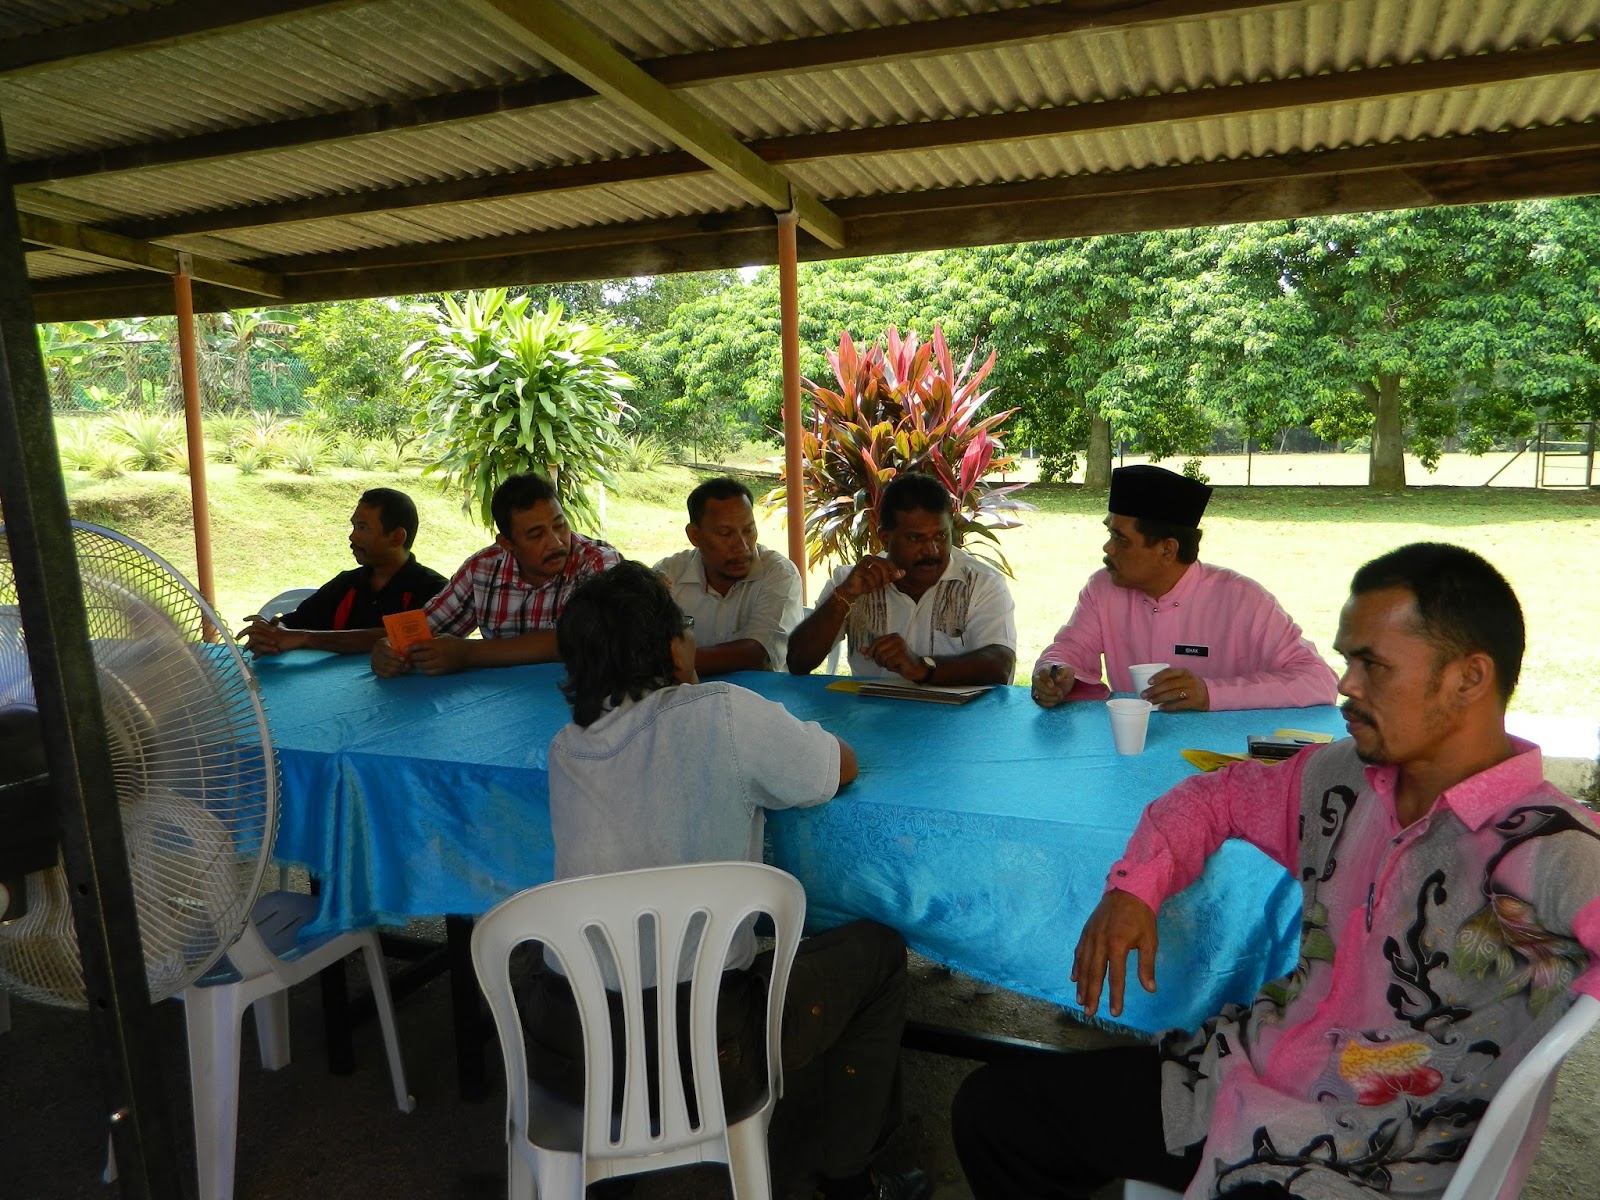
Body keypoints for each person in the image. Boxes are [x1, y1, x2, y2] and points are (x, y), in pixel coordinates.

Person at [953, 543, 1600, 1200]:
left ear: (1469, 677)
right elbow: (1215, 795)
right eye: (1349, 660)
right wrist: (1134, 891)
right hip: (1230, 1081)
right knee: (996, 1111)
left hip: (1370, 1153)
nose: (1347, 683)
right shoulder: (1343, 777)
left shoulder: (1552, 845)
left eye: (1373, 665)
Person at [524, 561, 930, 1200]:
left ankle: (599, 1165)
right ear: (670, 648)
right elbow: (837, 768)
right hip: (710, 1050)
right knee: (877, 954)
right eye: (683, 627)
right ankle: (851, 1173)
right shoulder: (725, 714)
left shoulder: (566, 746)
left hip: (571, 1046)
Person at [1032, 463, 1337, 711]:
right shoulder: (1103, 588)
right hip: (1131, 752)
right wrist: (1055, 672)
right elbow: (1071, 650)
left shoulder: (1242, 599)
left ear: (1167, 550)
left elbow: (1318, 680)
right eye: (1110, 534)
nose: (1108, 548)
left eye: (1121, 539)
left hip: (1223, 758)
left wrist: (1210, 693)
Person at [371, 472, 620, 676]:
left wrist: (468, 654)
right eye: (536, 535)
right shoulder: (483, 569)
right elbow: (424, 629)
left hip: (586, 708)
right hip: (503, 714)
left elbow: (582, 638)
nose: (555, 543)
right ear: (507, 544)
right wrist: (391, 650)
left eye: (560, 525)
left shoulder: (598, 563)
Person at [786, 473, 1016, 685]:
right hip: (870, 722)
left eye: (941, 536)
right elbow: (798, 661)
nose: (932, 550)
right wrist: (842, 598)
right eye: (916, 538)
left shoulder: (981, 582)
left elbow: (1001, 665)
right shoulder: (851, 583)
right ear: (885, 538)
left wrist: (923, 668)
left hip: (954, 725)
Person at [238, 487, 447, 656]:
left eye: (363, 528)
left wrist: (305, 638)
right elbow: (295, 622)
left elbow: (404, 636)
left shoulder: (435, 589)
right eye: (354, 527)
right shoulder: (347, 583)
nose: (352, 537)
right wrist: (271, 634)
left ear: (396, 537)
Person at [653, 476, 802, 674]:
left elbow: (756, 655)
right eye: (725, 533)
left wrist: (661, 662)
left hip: (760, 701)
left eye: (749, 530)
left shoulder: (779, 573)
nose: (742, 546)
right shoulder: (669, 573)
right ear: (694, 536)